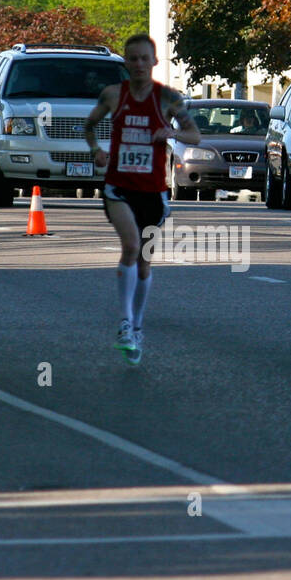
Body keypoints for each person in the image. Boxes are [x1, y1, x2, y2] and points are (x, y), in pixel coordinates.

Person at [81, 33, 201, 365]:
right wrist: (96, 151)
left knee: (145, 262)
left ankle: (137, 325)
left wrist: (172, 132)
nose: (138, 64)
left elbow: (195, 135)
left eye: (143, 58)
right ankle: (123, 323)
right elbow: (89, 125)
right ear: (125, 62)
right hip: (119, 187)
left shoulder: (168, 99)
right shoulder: (112, 95)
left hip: (154, 192)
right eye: (132, 58)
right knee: (131, 246)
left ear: (154, 62)